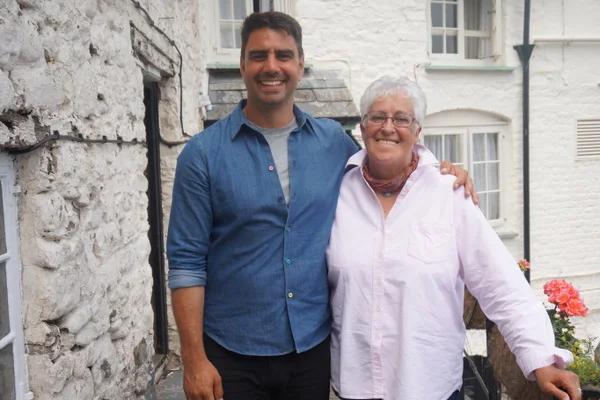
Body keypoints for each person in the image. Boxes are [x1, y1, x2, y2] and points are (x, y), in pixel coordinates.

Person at [167, 12, 473, 400]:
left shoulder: (334, 143)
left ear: (300, 64)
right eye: (259, 55)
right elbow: (186, 263)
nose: (271, 66)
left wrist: (442, 170)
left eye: (283, 55)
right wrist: (194, 360)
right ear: (242, 64)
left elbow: (387, 162)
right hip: (232, 353)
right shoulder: (202, 155)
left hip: (311, 352)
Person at [326, 75, 582, 400]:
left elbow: (502, 286)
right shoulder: (336, 192)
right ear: (362, 128)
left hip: (429, 388)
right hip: (354, 387)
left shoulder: (449, 194)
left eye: (402, 118)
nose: (388, 127)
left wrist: (542, 360)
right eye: (377, 117)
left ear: (418, 131)